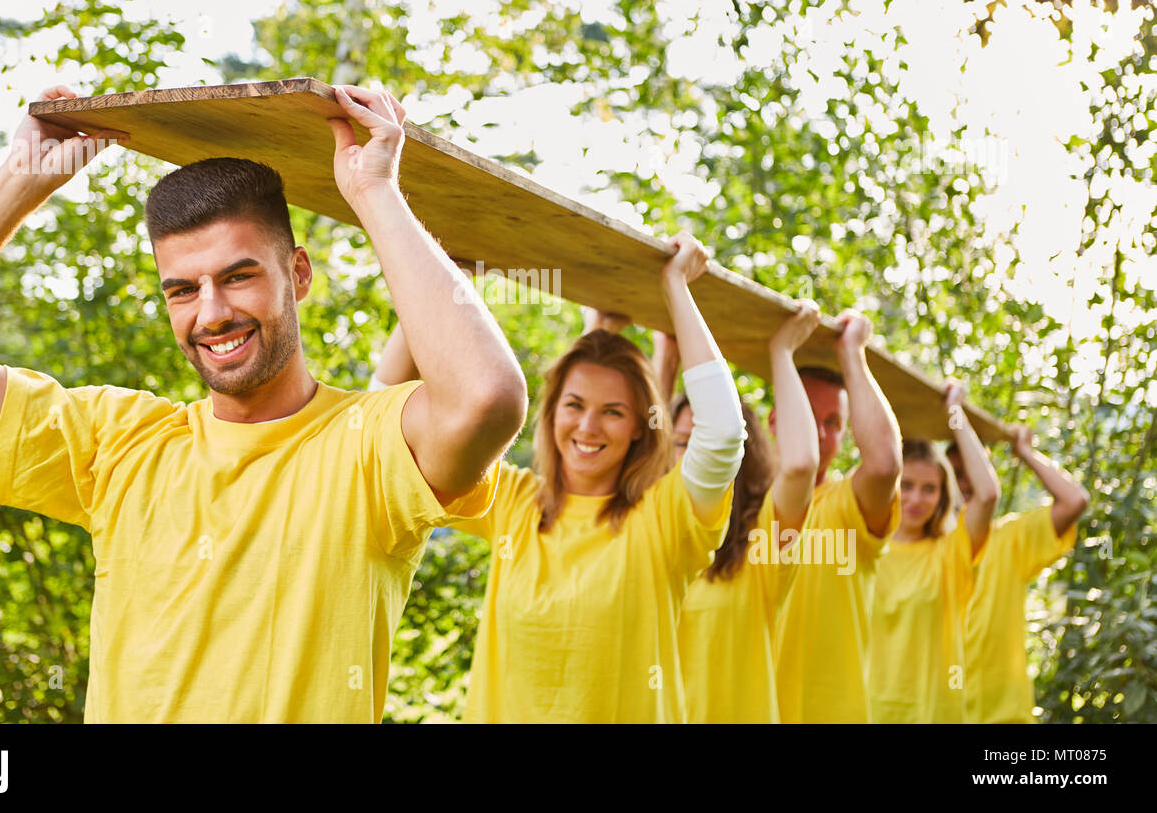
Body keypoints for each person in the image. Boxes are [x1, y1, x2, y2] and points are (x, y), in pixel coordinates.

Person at [0, 83, 528, 722]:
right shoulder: (117, 443)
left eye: (239, 277)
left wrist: (374, 193)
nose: (212, 314)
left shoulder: (370, 447)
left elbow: (486, 397)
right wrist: (18, 180)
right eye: (183, 289)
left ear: (297, 273)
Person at [373, 233, 747, 722]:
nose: (588, 427)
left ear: (640, 426)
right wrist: (444, 283)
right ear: (552, 415)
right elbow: (386, 425)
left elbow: (721, 434)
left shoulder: (666, 517)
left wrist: (676, 286)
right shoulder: (510, 499)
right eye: (574, 405)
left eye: (613, 412)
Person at [673, 300, 822, 723]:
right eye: (681, 442)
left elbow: (800, 465)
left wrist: (782, 354)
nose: (689, 455)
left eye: (703, 441)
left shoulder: (763, 542)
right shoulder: (654, 530)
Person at [767, 310, 903, 723]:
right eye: (809, 415)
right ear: (776, 420)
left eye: (834, 423)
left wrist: (852, 354)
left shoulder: (847, 506)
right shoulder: (740, 503)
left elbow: (882, 465)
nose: (822, 434)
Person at [868, 380, 998, 723]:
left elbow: (986, 495)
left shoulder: (950, 553)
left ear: (943, 496)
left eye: (929, 489)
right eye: (906, 485)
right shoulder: (864, 548)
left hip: (933, 715)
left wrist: (954, 413)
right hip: (867, 712)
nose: (915, 499)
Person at [953, 424, 1087, 723]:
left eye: (970, 471)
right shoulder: (923, 546)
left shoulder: (1010, 539)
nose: (962, 483)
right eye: (953, 474)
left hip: (1004, 717)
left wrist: (1025, 452)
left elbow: (1074, 501)